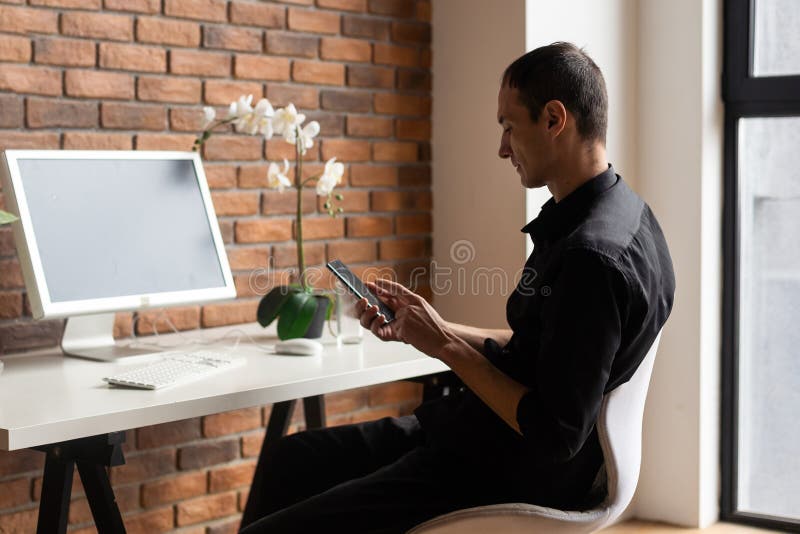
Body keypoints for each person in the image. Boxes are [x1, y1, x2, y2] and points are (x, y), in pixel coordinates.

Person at [240, 42, 675, 534]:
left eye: (509, 126)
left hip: (504, 469)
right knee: (291, 459)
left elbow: (555, 433)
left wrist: (443, 344)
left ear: (555, 119)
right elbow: (549, 348)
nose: (502, 147)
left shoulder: (589, 259)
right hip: (477, 434)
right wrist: (433, 326)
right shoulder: (626, 215)